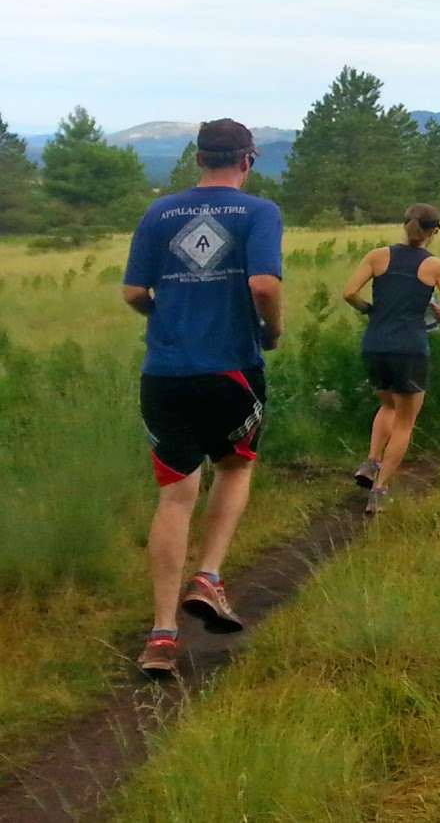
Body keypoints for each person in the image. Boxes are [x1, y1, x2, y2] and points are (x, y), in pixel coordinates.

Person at [121, 119, 283, 677]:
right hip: (231, 370)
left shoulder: (158, 212)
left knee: (174, 497)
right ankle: (209, 577)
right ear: (249, 159)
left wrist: (164, 317)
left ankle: (162, 635)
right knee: (235, 467)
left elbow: (134, 292)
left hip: (164, 373)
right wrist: (273, 330)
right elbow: (264, 284)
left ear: (197, 159)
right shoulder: (259, 213)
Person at [343, 204, 440, 514]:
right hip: (410, 348)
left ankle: (371, 462)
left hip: (375, 344)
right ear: (433, 231)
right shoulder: (435, 266)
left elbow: (349, 293)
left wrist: (369, 310)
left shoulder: (377, 256)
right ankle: (380, 491)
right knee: (405, 422)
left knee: (387, 405)